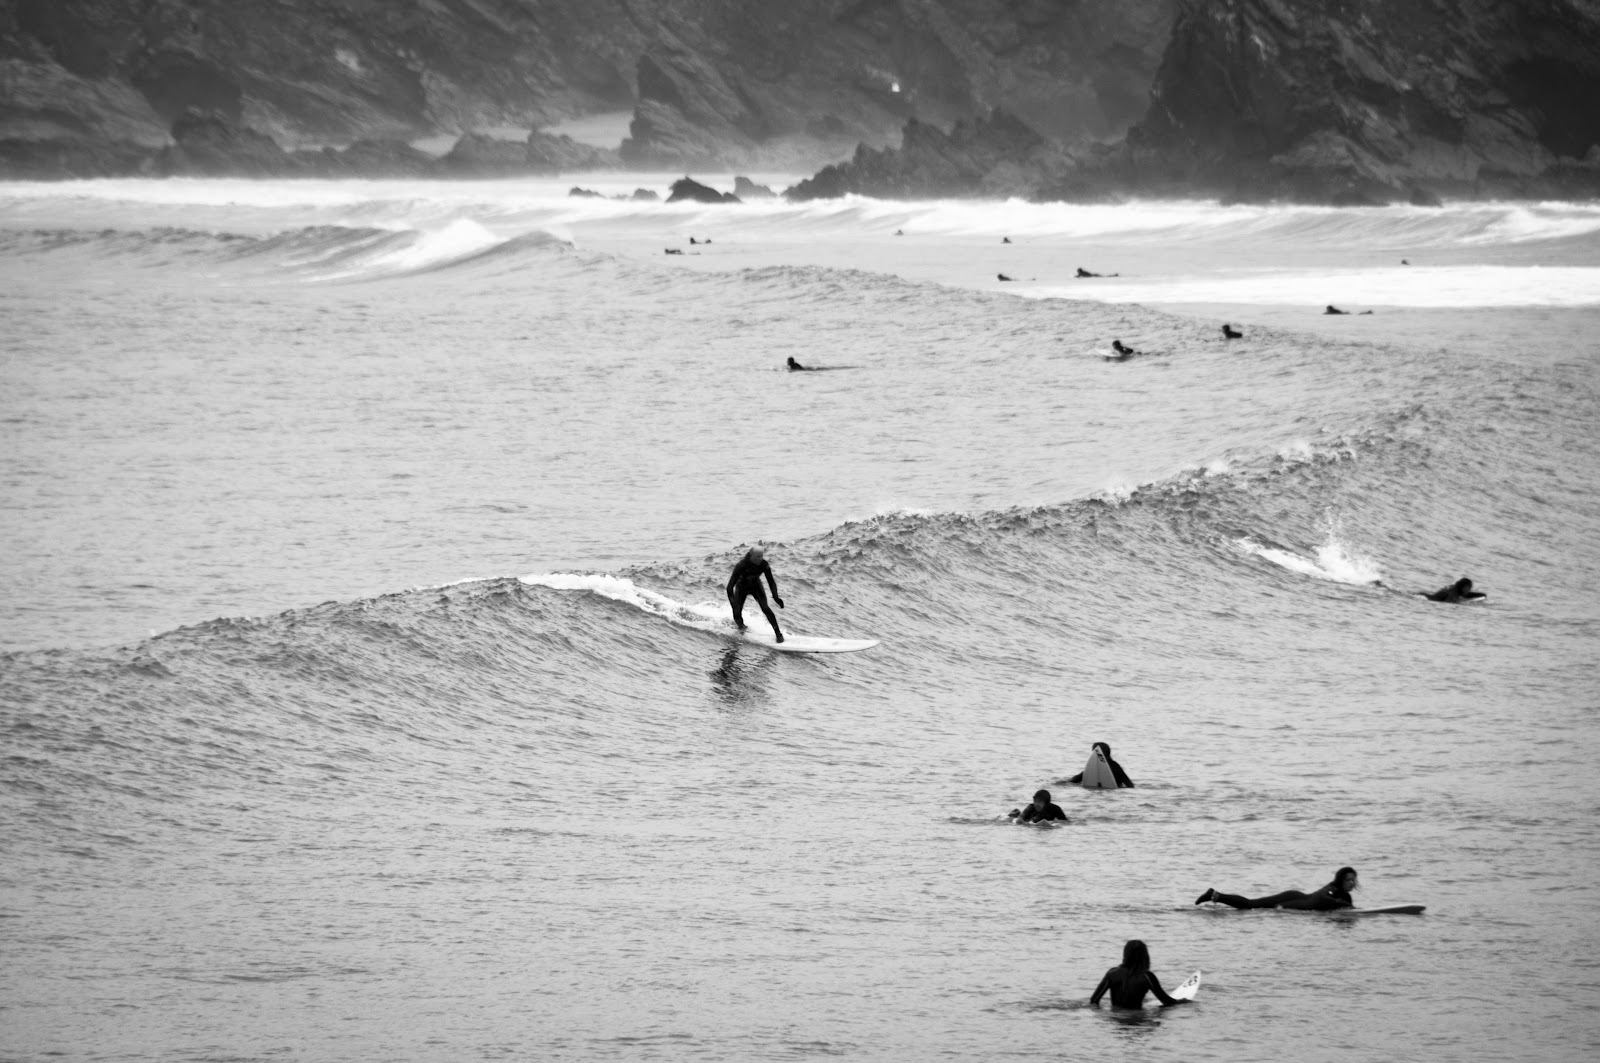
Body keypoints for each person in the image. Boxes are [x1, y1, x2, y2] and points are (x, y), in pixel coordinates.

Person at [1195, 866, 1358, 910]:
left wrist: (1347, 906)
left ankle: (1216, 896)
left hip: (1296, 902)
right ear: (1341, 880)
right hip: (1292, 899)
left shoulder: (1345, 897)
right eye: (1349, 880)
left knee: (1251, 905)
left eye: (1354, 880)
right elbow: (1321, 899)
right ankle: (1215, 894)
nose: (1352, 883)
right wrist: (1343, 905)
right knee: (1250, 905)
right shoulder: (1333, 889)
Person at [1091, 940, 1187, 1008]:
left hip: (1116, 1023)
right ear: (1145, 957)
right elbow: (1166, 1001)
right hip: (1138, 1020)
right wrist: (1184, 1002)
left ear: (1125, 955)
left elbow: (1094, 1001)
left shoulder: (1112, 973)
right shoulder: (1147, 977)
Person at [726, 546, 784, 642]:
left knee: (765, 608)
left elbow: (771, 581)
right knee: (737, 612)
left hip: (756, 586)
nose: (760, 559)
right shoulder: (741, 565)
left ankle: (778, 634)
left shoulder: (764, 565)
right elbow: (729, 587)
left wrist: (776, 597)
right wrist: (733, 605)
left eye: (761, 556)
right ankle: (741, 628)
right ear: (751, 556)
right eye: (758, 556)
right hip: (742, 587)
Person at [1068, 742, 1135, 788]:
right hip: (1114, 790)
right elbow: (1130, 785)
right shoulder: (1115, 766)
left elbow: (1074, 781)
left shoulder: (1092, 767)